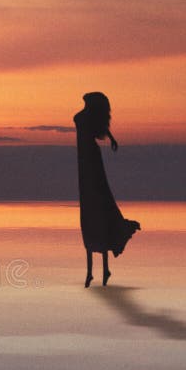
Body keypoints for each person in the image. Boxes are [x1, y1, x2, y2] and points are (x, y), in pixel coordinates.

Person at [74, 92, 140, 287]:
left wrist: (112, 138)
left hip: (90, 158)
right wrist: (112, 139)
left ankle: (102, 269)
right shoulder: (85, 115)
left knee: (98, 201)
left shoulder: (87, 116)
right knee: (88, 207)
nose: (84, 101)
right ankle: (91, 272)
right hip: (83, 159)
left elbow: (101, 129)